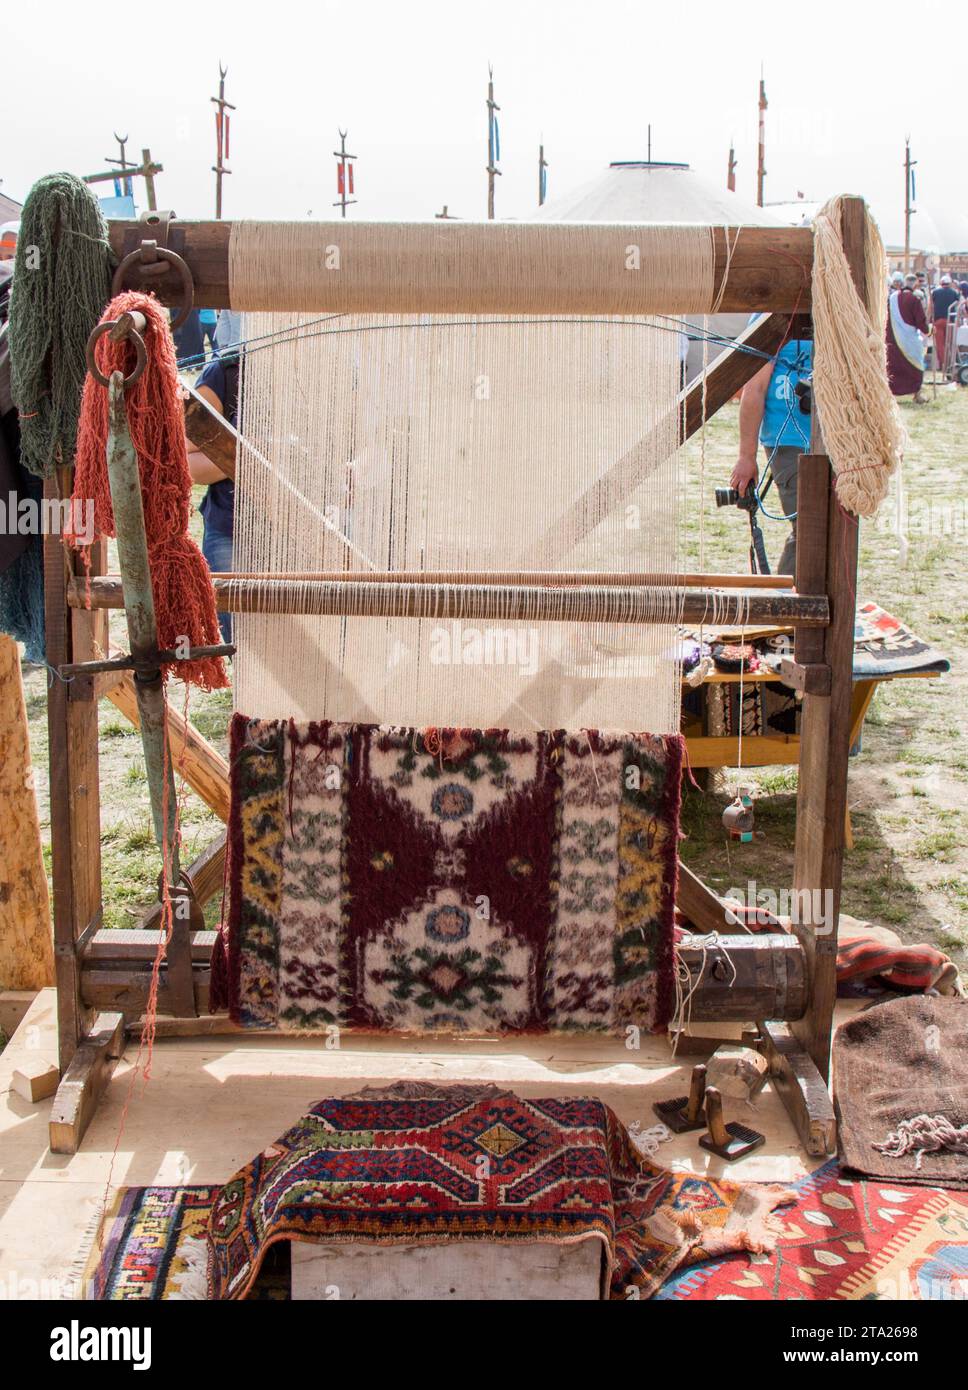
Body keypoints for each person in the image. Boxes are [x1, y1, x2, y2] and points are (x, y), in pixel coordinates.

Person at [729, 326, 812, 577]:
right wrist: (746, 457)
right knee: (809, 529)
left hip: (837, 439)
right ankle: (790, 600)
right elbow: (754, 388)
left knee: (837, 528)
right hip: (788, 440)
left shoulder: (843, 310)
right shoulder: (772, 317)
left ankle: (823, 598)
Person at [185, 342, 239, 642]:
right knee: (240, 643)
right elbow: (186, 461)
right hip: (231, 533)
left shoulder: (330, 370)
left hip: (308, 535)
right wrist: (248, 459)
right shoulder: (226, 374)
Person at [886, 272, 930, 400]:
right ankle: (917, 394)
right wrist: (929, 330)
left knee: (893, 366)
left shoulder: (892, 297)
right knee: (916, 365)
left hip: (892, 338)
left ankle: (891, 394)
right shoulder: (914, 299)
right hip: (910, 339)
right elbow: (921, 322)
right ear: (915, 285)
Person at [931, 274, 960, 377]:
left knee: (940, 345)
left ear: (941, 283)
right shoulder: (954, 293)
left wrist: (929, 318)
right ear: (950, 283)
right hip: (950, 321)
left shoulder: (935, 292)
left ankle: (944, 364)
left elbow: (931, 306)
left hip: (938, 321)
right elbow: (958, 305)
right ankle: (952, 363)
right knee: (951, 343)